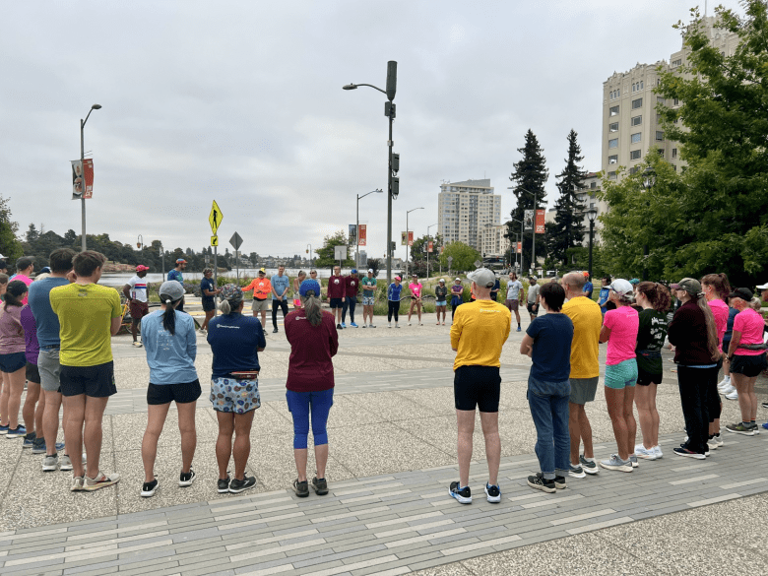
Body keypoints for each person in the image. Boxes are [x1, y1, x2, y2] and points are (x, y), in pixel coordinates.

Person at [50, 251, 121, 491]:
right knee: (93, 418)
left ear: (75, 269)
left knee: (72, 418)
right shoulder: (110, 295)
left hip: (69, 363)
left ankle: (77, 475)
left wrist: (72, 281)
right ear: (97, 269)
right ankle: (93, 474)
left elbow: (62, 310)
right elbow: (113, 330)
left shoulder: (57, 293)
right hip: (99, 363)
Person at [449, 268, 511, 504]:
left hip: (466, 372)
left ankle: (464, 487)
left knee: (465, 431)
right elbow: (502, 339)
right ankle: (493, 486)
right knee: (492, 431)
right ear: (493, 287)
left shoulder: (463, 310)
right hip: (491, 372)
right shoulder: (504, 312)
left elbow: (454, 343)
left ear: (474, 286)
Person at [139, 281, 200, 497]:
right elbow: (191, 350)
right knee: (187, 428)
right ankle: (185, 473)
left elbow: (147, 346)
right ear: (180, 299)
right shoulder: (186, 320)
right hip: (185, 378)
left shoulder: (146, 320)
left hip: (158, 380)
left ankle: (148, 481)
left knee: (152, 430)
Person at [207, 284, 266, 494]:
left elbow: (213, 343)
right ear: (242, 303)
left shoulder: (214, 323)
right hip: (244, 382)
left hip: (220, 382)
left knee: (224, 432)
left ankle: (222, 478)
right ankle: (239, 479)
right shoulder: (252, 323)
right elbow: (260, 346)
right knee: (242, 433)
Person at [284, 279, 339, 497]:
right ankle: (321, 478)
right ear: (320, 295)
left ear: (299, 295)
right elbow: (333, 348)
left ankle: (302, 481)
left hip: (297, 381)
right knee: (320, 430)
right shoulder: (329, 318)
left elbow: (292, 342)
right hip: (323, 380)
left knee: (300, 431)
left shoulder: (290, 319)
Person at [521, 282, 573, 492]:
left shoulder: (539, 323)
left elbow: (523, 348)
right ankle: (561, 475)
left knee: (544, 430)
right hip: (563, 382)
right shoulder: (568, 322)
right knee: (562, 429)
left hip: (541, 381)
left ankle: (547, 477)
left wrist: (533, 351)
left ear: (543, 299)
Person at [29, 248, 75, 470]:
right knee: (70, 405)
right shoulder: (71, 288)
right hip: (70, 350)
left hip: (45, 349)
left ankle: (49, 455)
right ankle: (69, 455)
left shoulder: (35, 287)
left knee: (50, 403)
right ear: (72, 266)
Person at [667, 278, 721, 459]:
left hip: (691, 363)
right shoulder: (703, 308)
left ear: (685, 292)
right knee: (702, 404)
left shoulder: (686, 310)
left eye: (678, 289)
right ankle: (701, 442)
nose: (675, 292)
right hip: (707, 362)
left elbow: (674, 337)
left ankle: (695, 446)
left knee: (692, 406)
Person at [561, 272, 603, 478]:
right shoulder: (595, 306)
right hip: (591, 366)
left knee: (572, 416)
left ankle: (574, 462)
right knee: (580, 412)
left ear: (567, 287)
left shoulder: (567, 309)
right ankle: (589, 456)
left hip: (573, 368)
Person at [598, 279, 639, 473]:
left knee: (616, 415)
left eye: (610, 291)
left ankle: (622, 459)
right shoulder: (634, 312)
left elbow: (602, 338)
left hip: (616, 365)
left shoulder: (612, 314)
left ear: (615, 294)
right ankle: (630, 454)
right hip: (632, 363)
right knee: (628, 412)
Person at [632, 282, 671, 460]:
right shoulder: (661, 315)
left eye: (636, 293)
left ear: (643, 295)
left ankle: (647, 446)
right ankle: (654, 444)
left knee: (642, 407)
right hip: (656, 359)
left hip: (642, 360)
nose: (634, 296)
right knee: (651, 406)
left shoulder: (642, 316)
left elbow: (634, 343)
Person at [724, 287, 767, 435]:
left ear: (740, 301)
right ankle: (752, 422)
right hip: (758, 355)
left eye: (733, 298)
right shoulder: (757, 315)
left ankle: (746, 424)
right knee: (750, 390)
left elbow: (735, 340)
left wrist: (729, 356)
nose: (731, 301)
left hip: (743, 356)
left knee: (742, 391)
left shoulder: (741, 316)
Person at [701, 273, 731, 448]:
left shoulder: (711, 306)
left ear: (709, 288)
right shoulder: (723, 305)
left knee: (706, 396)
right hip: (717, 351)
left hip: (708, 352)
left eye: (702, 287)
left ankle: (710, 432)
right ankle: (715, 431)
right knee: (712, 393)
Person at [0, 281, 29, 438]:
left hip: (2, 350)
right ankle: (13, 427)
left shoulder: (2, 306)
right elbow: (28, 328)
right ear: (23, 293)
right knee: (16, 393)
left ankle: (4, 423)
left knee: (6, 390)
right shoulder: (17, 310)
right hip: (16, 351)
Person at [20, 277, 46, 449]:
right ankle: (41, 439)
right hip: (43, 355)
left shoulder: (24, 310)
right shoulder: (43, 311)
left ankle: (30, 434)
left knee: (30, 397)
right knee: (44, 400)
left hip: (29, 355)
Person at [122, 265, 150, 347]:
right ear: (141, 272)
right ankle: (135, 340)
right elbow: (125, 289)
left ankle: (143, 339)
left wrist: (147, 298)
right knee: (135, 321)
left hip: (144, 303)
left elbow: (146, 289)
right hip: (136, 304)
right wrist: (131, 299)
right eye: (145, 270)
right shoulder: (133, 279)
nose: (146, 272)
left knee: (145, 321)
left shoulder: (144, 279)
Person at [199, 268, 220, 333]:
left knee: (212, 314)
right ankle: (207, 329)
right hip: (206, 300)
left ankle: (203, 327)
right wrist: (215, 292)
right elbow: (207, 293)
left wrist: (218, 290)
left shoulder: (211, 280)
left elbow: (214, 288)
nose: (211, 273)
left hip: (211, 299)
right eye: (210, 272)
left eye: (211, 272)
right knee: (208, 316)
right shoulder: (204, 282)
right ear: (206, 273)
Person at [270, 266, 290, 334]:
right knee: (274, 313)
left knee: (286, 314)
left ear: (284, 270)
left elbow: (287, 287)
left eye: (282, 269)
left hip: (283, 298)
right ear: (278, 269)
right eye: (280, 269)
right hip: (275, 298)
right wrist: (277, 296)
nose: (281, 270)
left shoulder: (286, 278)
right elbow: (272, 287)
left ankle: (287, 328)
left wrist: (282, 296)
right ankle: (275, 328)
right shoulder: (273, 277)